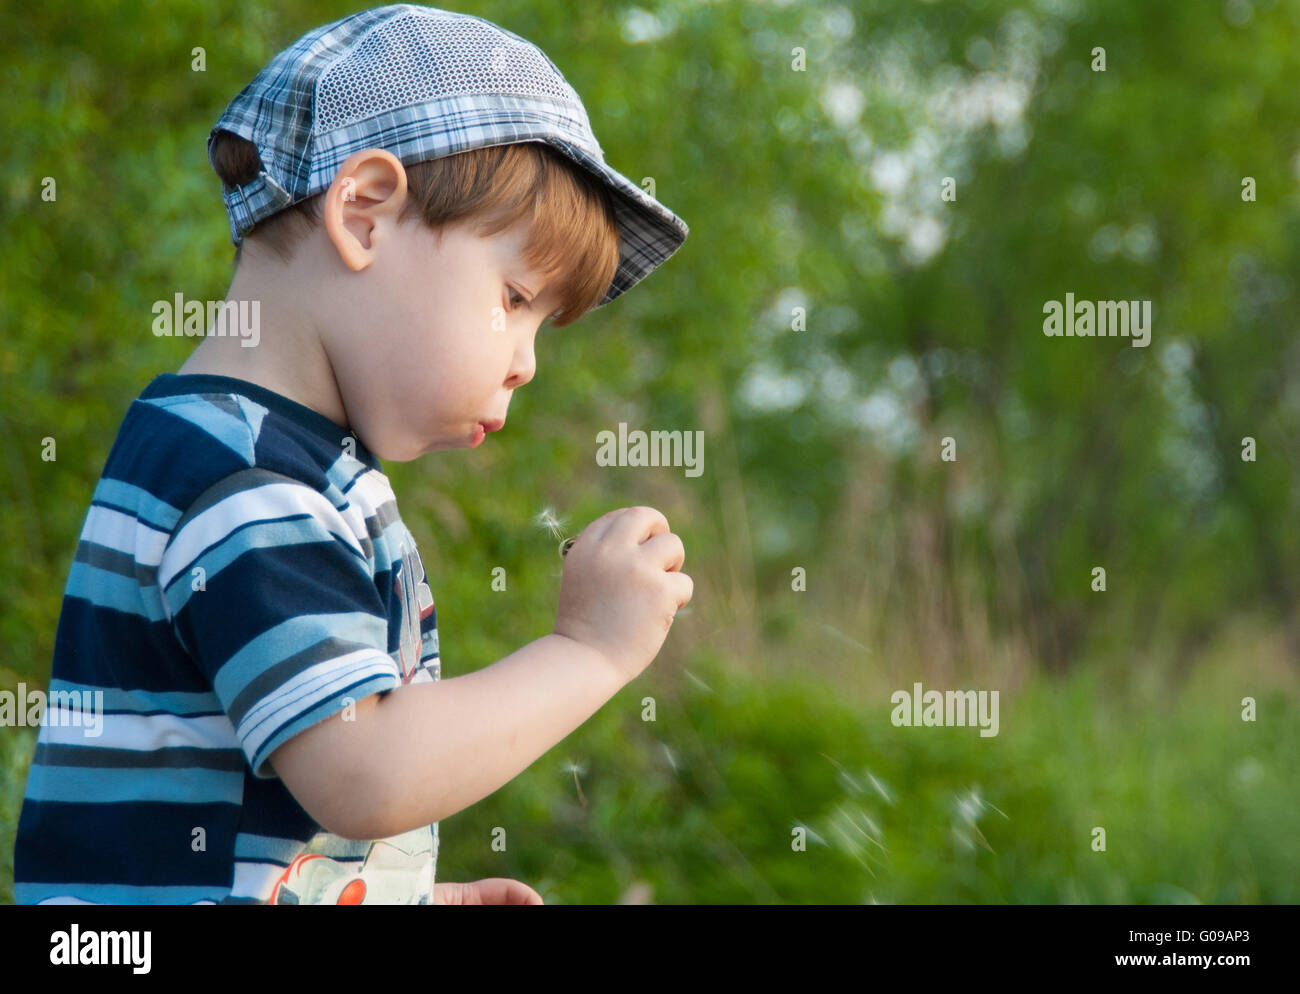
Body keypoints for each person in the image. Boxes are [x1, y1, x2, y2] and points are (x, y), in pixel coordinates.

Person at [13, 4, 693, 905]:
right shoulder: (247, 482)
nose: (527, 364)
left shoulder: (259, 459)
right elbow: (364, 771)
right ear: (365, 214)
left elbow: (274, 798)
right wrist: (589, 651)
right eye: (516, 296)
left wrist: (397, 894)